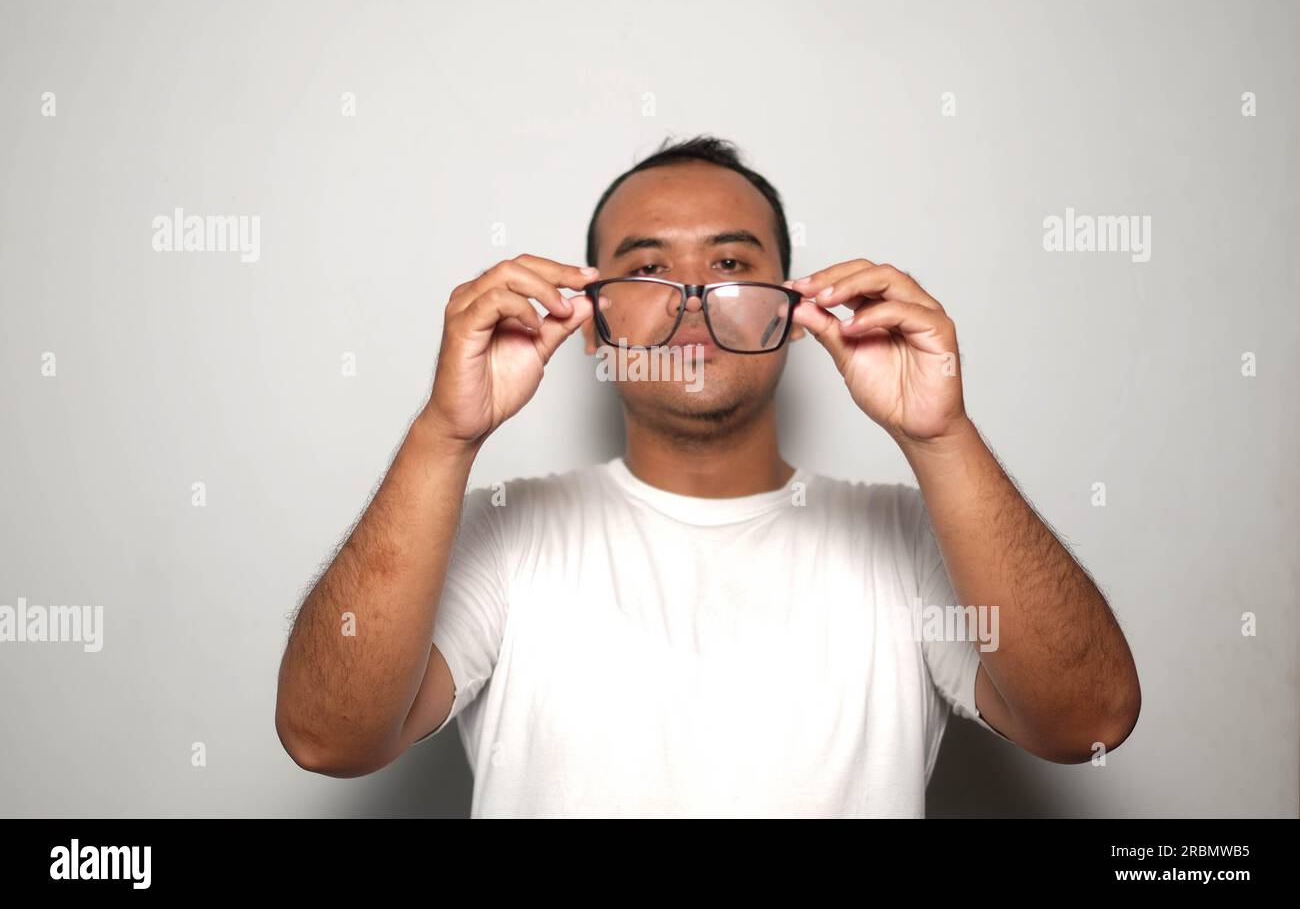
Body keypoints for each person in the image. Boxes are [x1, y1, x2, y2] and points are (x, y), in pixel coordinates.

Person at [274, 135, 1141, 817]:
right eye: (647, 268)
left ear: (797, 312)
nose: (692, 294)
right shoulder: (506, 532)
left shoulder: (913, 538)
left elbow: (1090, 722)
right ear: (590, 322)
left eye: (731, 264)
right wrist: (444, 433)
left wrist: (942, 435)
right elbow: (327, 737)